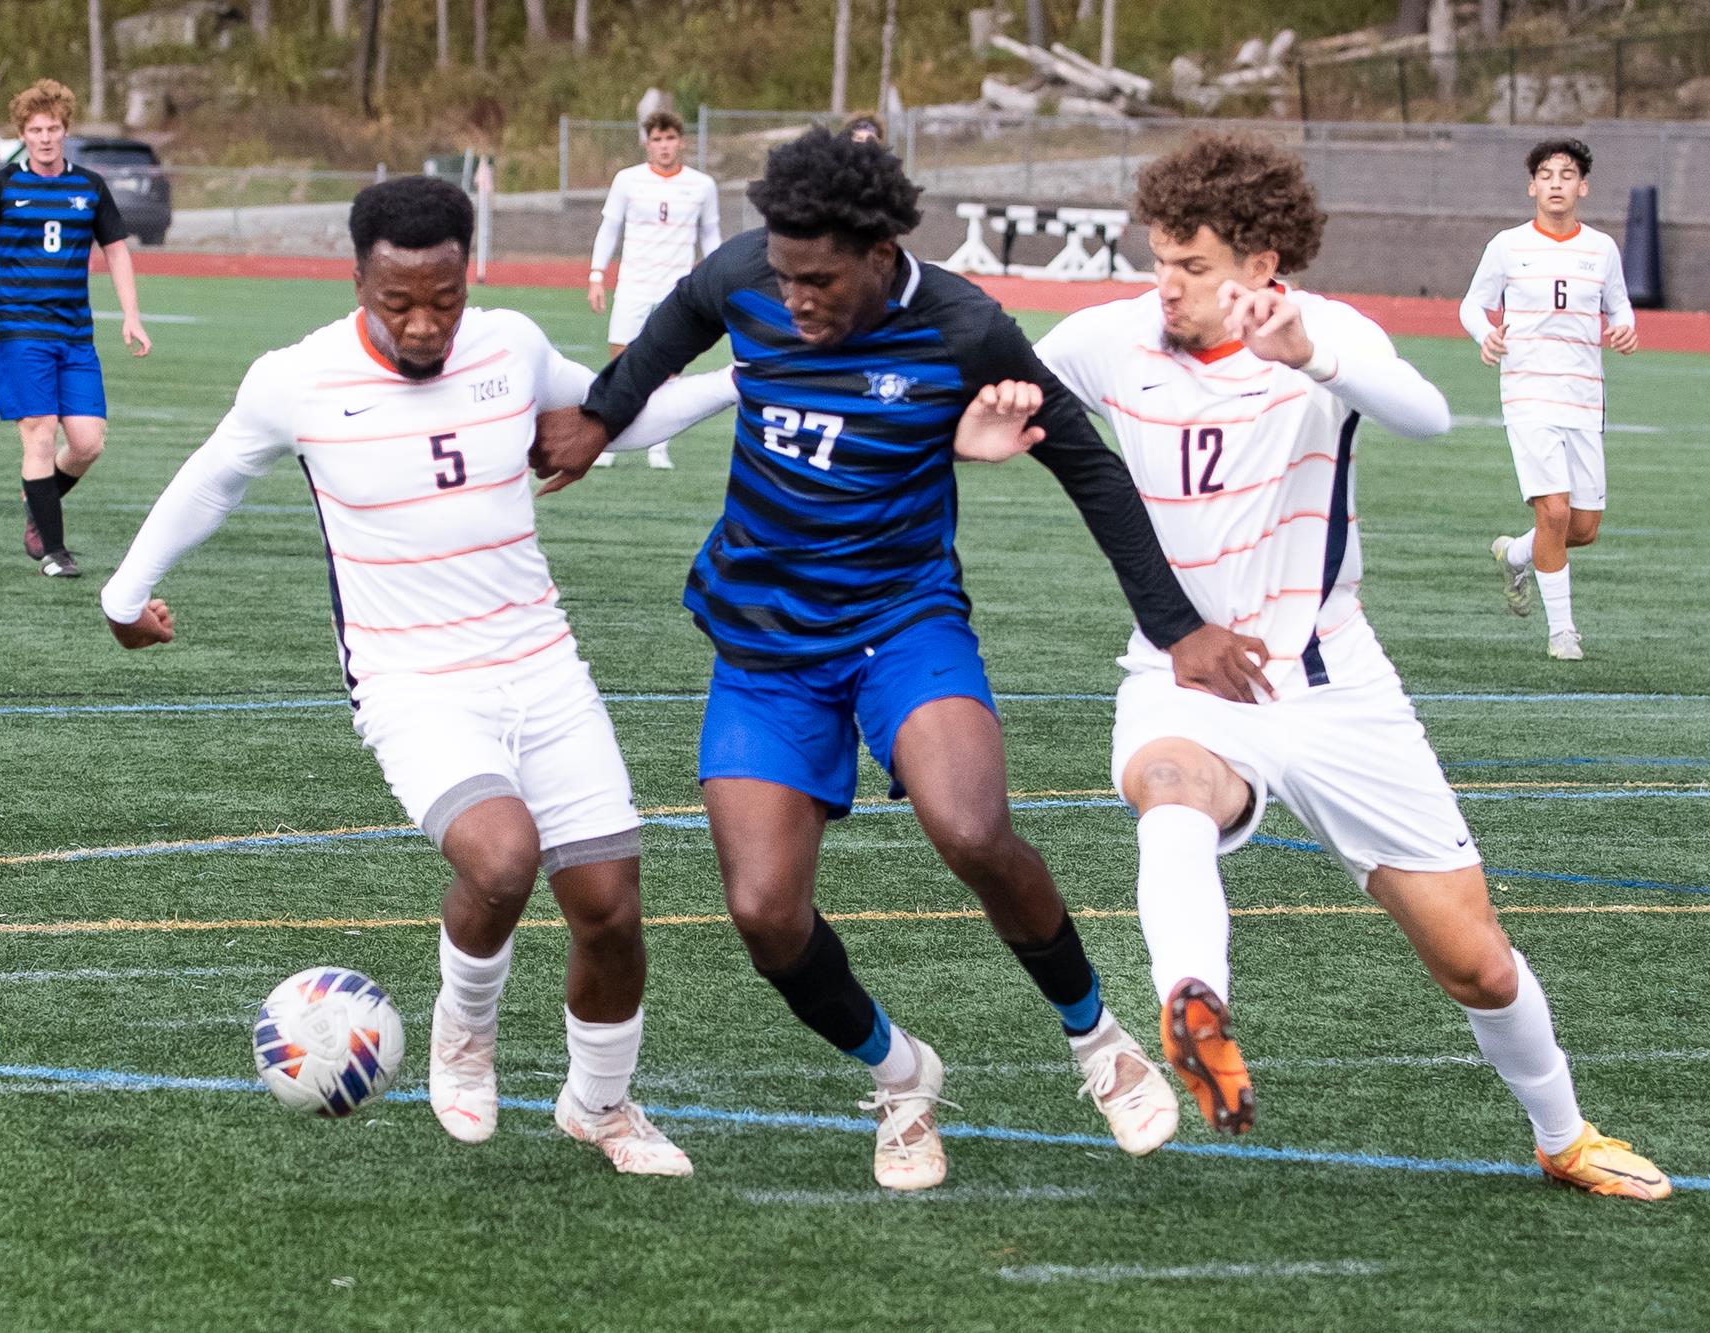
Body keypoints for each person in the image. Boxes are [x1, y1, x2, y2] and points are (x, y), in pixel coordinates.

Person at [530, 129, 1283, 1192]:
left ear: (882, 252)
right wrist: (602, 414)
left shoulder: (965, 326)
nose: (791, 298)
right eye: (782, 275)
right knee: (762, 913)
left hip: (901, 620)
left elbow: (1090, 471)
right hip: (762, 637)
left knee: (972, 829)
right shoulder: (752, 272)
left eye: (819, 280)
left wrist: (1177, 627)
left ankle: (1097, 1042)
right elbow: (686, 314)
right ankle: (901, 1075)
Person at [961, 132, 1670, 1199]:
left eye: (1190, 266)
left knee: (1473, 959)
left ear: (1258, 262)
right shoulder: (1107, 340)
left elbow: (1428, 418)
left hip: (1337, 687)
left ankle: (1562, 1134)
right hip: (1183, 677)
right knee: (1168, 788)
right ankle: (1192, 1003)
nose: (1165, 287)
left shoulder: (1322, 332)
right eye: (1156, 259)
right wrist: (980, 426)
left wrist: (1310, 355)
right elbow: (997, 401)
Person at [99, 176, 724, 1176]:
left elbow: (613, 416)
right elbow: (214, 474)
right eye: (399, 302)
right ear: (357, 280)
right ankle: (463, 1031)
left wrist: (745, 378)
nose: (426, 323)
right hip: (412, 681)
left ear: (468, 275)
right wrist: (124, 595)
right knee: (501, 858)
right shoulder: (296, 379)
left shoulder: (510, 344)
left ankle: (600, 1107)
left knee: (609, 907)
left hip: (541, 662)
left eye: (445, 297)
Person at [0, 78, 152, 579]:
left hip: (74, 335)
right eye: (35, 130)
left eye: (54, 128)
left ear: (66, 131)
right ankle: (53, 551)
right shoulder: (3, 185)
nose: (45, 137)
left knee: (87, 443)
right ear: (23, 134)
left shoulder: (88, 187)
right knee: (39, 433)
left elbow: (116, 251)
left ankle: (36, 496)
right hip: (20, 331)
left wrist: (131, 314)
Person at [1458, 138, 1639, 661]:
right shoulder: (1507, 246)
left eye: (1567, 175)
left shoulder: (1601, 249)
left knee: (1581, 529)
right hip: (1528, 394)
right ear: (1531, 186)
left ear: (1582, 187)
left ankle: (1515, 554)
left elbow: (1619, 305)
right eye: (1546, 174)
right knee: (1554, 514)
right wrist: (1485, 335)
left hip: (1584, 398)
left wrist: (1624, 329)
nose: (1556, 183)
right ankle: (1564, 633)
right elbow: (1474, 305)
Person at [585, 109, 722, 470]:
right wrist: (597, 275)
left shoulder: (701, 185)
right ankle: (609, 440)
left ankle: (658, 444)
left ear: (682, 142)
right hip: (633, 284)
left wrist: (719, 276)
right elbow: (609, 229)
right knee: (620, 363)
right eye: (657, 139)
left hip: (677, 291)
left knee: (668, 369)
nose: (664, 146)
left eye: (670, 138)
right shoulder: (627, 180)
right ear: (647, 143)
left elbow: (710, 236)